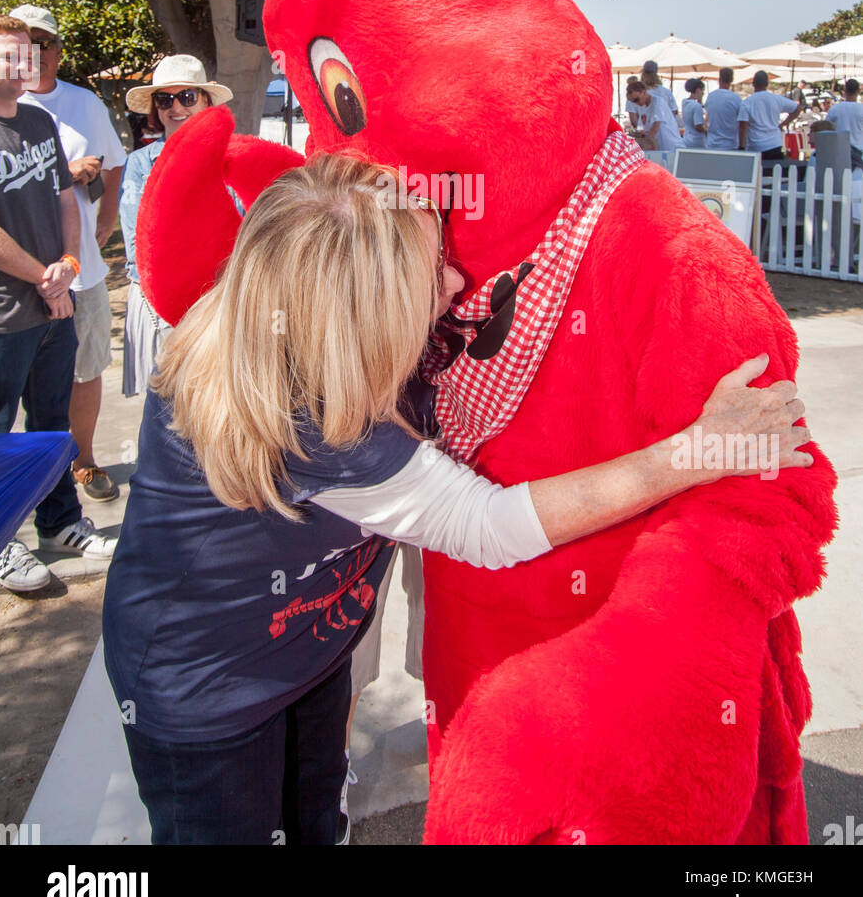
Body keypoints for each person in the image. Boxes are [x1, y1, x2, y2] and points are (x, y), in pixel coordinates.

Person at [102, 151, 812, 846]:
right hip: (204, 690)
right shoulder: (313, 420)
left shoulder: (295, 320)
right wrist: (693, 452)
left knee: (316, 815)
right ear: (360, 318)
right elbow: (488, 526)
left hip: (305, 651)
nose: (455, 277)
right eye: (425, 275)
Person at [0, 17, 115, 593]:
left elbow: (65, 198)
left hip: (55, 303)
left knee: (50, 425)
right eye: (8, 56)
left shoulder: (40, 121)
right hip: (4, 312)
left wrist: (67, 266)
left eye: (28, 55)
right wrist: (39, 275)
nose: (22, 66)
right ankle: (1, 544)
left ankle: (59, 525)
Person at [12, 4, 127, 502]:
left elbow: (114, 165)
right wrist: (68, 171)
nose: (34, 54)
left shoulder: (85, 103)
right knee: (16, 391)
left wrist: (103, 223)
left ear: (59, 51)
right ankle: (26, 486)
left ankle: (81, 463)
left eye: (45, 44)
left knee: (86, 371)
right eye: (24, 44)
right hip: (15, 277)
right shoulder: (5, 108)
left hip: (80, 273)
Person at [119, 56, 232, 397]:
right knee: (168, 412)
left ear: (206, 101)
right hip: (165, 305)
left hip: (221, 304)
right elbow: (139, 247)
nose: (176, 107)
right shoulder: (140, 165)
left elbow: (246, 237)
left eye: (187, 96)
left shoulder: (232, 157)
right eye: (165, 99)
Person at [738, 71, 802, 161]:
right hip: (774, 142)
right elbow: (797, 108)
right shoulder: (776, 99)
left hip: (756, 145)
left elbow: (743, 126)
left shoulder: (747, 103)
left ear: (753, 84)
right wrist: (783, 124)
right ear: (767, 84)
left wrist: (741, 147)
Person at [628, 80, 681, 152]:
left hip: (670, 147)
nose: (635, 104)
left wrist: (644, 143)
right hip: (659, 148)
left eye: (637, 100)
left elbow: (656, 126)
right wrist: (637, 135)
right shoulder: (642, 107)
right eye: (633, 101)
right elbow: (642, 128)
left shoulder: (657, 103)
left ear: (643, 92)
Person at [826, 78, 863, 170]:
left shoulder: (835, 109)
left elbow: (826, 128)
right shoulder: (861, 109)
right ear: (859, 91)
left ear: (844, 91)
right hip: (859, 149)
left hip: (839, 149)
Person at [704, 67, 742, 150]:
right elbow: (742, 122)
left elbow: (707, 118)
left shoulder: (710, 96)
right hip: (730, 144)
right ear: (731, 80)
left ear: (719, 79)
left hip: (712, 144)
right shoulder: (736, 98)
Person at [641, 61, 680, 125]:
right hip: (665, 130)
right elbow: (674, 112)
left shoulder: (638, 93)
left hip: (645, 130)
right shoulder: (666, 92)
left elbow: (634, 118)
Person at [681, 77, 706, 148]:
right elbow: (698, 126)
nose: (703, 93)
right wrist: (707, 132)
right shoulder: (696, 106)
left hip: (687, 138)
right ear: (698, 90)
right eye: (702, 90)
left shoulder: (684, 103)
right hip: (696, 141)